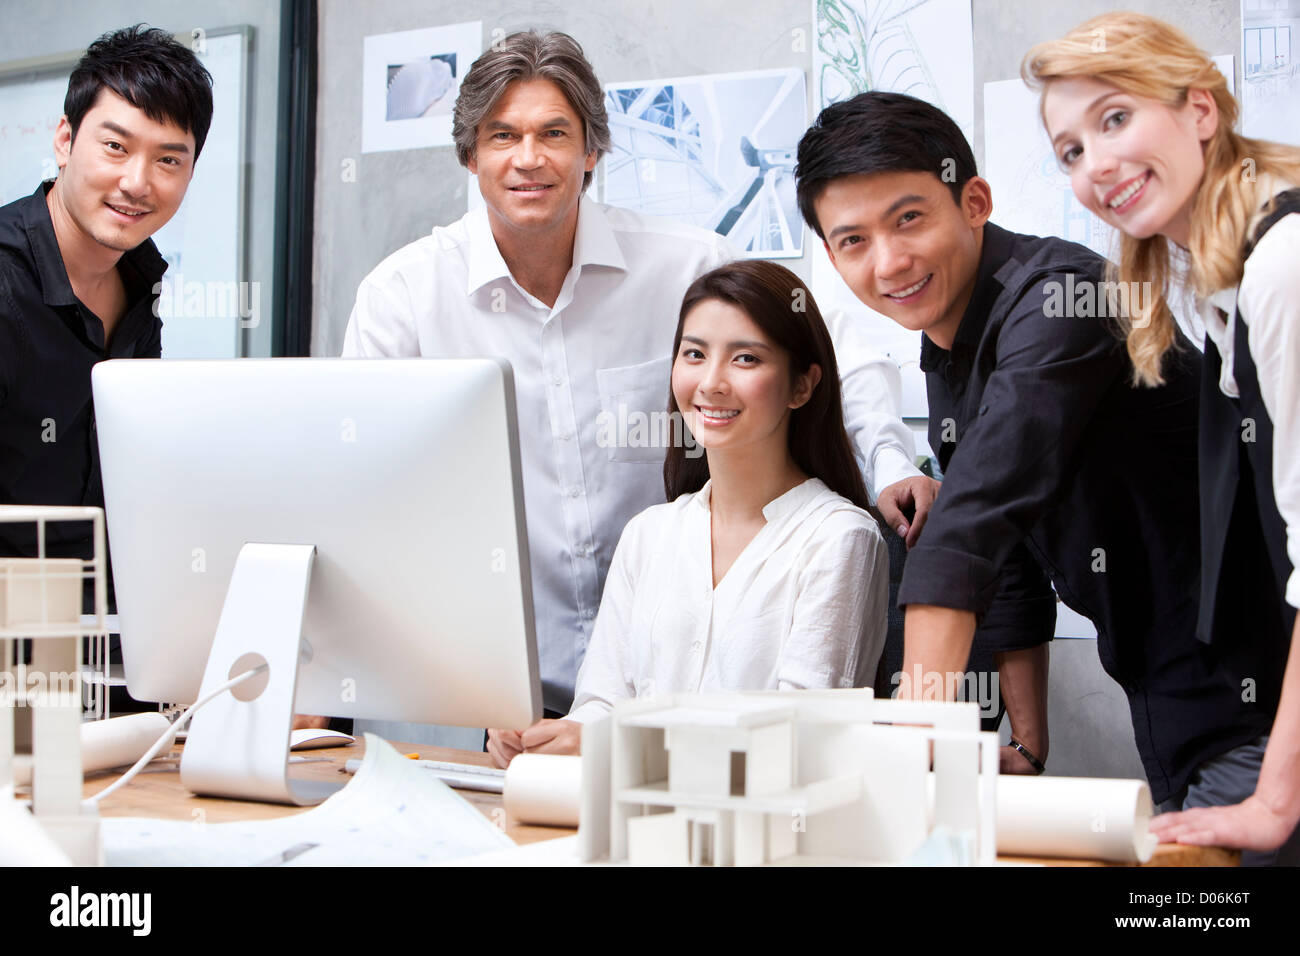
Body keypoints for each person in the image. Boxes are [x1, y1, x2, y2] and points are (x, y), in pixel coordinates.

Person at [341, 30, 928, 723]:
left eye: (554, 133)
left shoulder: (681, 264)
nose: (529, 159)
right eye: (503, 136)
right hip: (479, 692)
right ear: (470, 155)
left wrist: (889, 461)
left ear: (592, 150)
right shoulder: (404, 296)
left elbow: (824, 331)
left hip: (652, 692)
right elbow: (361, 489)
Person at [793, 90, 1280, 811]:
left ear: (974, 201)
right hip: (1164, 679)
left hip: (1256, 686)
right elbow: (1009, 558)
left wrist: (911, 744)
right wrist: (1027, 740)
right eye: (853, 240)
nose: (889, 262)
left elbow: (973, 521)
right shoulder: (946, 349)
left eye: (909, 218)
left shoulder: (1061, 299)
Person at [1029, 11, 1300, 862]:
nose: (1096, 164)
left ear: (1201, 110)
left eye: (1115, 118)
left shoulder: (1285, 265)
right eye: (1071, 151)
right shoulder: (1228, 291)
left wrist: (1273, 803)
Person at [487, 260, 889, 764]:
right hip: (632, 822)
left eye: (745, 359)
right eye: (694, 354)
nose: (711, 382)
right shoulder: (649, 533)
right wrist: (547, 736)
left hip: (765, 835)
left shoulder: (839, 538)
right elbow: (601, 705)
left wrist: (613, 742)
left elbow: (801, 746)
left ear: (802, 386)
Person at [0, 26, 212, 709]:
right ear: (65, 141)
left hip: (106, 653)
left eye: (168, 160)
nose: (136, 182)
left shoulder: (141, 281)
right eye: (115, 147)